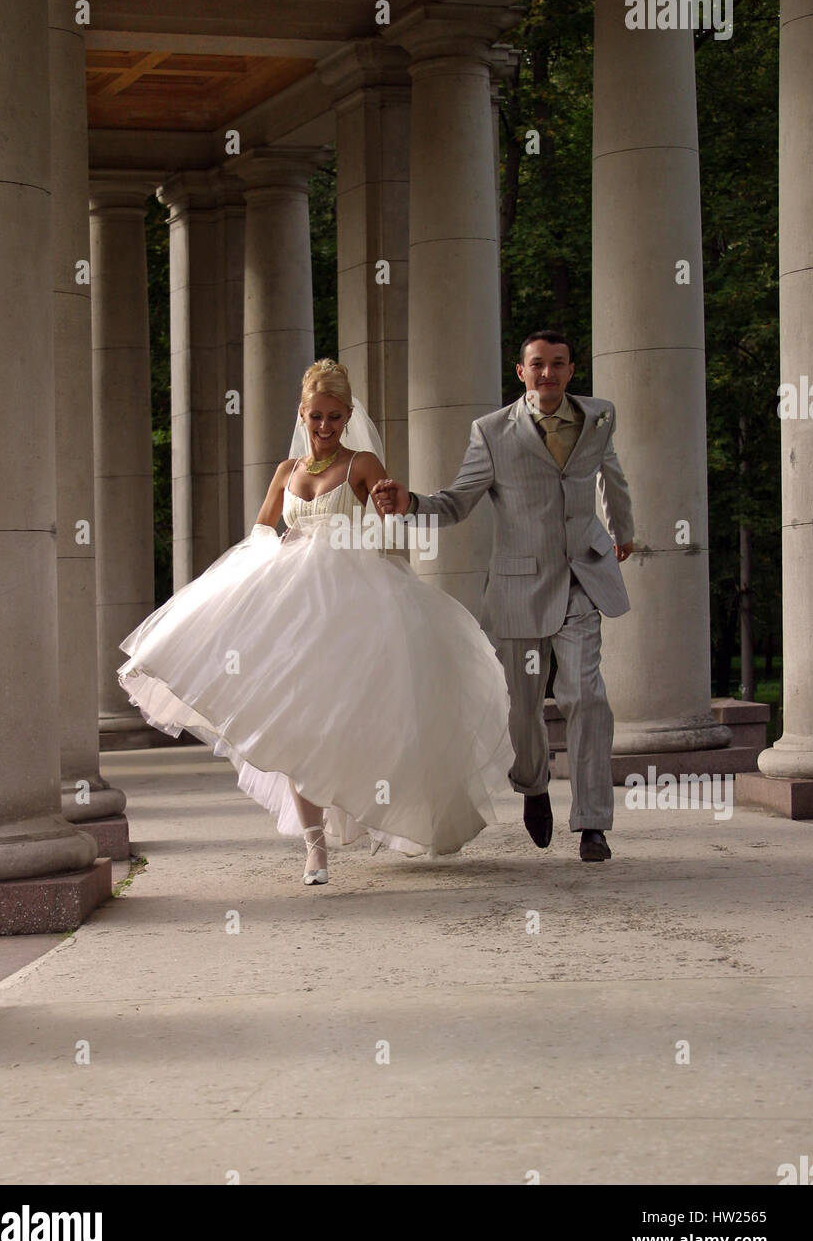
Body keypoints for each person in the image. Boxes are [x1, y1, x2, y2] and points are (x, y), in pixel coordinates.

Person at [117, 358, 514, 886]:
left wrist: (390, 505)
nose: (324, 426)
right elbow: (261, 531)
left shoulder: (363, 463)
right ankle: (315, 848)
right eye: (315, 416)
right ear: (301, 414)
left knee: (350, 719)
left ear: (348, 415)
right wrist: (252, 580)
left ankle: (366, 805)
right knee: (293, 720)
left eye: (334, 416)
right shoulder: (287, 472)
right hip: (292, 606)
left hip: (352, 604)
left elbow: (392, 518)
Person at [373, 331, 635, 863]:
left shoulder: (600, 416)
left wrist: (622, 529)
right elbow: (457, 502)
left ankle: (592, 824)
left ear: (570, 369)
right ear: (521, 372)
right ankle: (533, 785)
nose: (548, 374)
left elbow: (611, 474)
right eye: (537, 365)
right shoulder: (492, 432)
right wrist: (411, 503)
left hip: (583, 576)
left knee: (588, 697)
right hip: (518, 588)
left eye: (557, 365)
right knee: (522, 708)